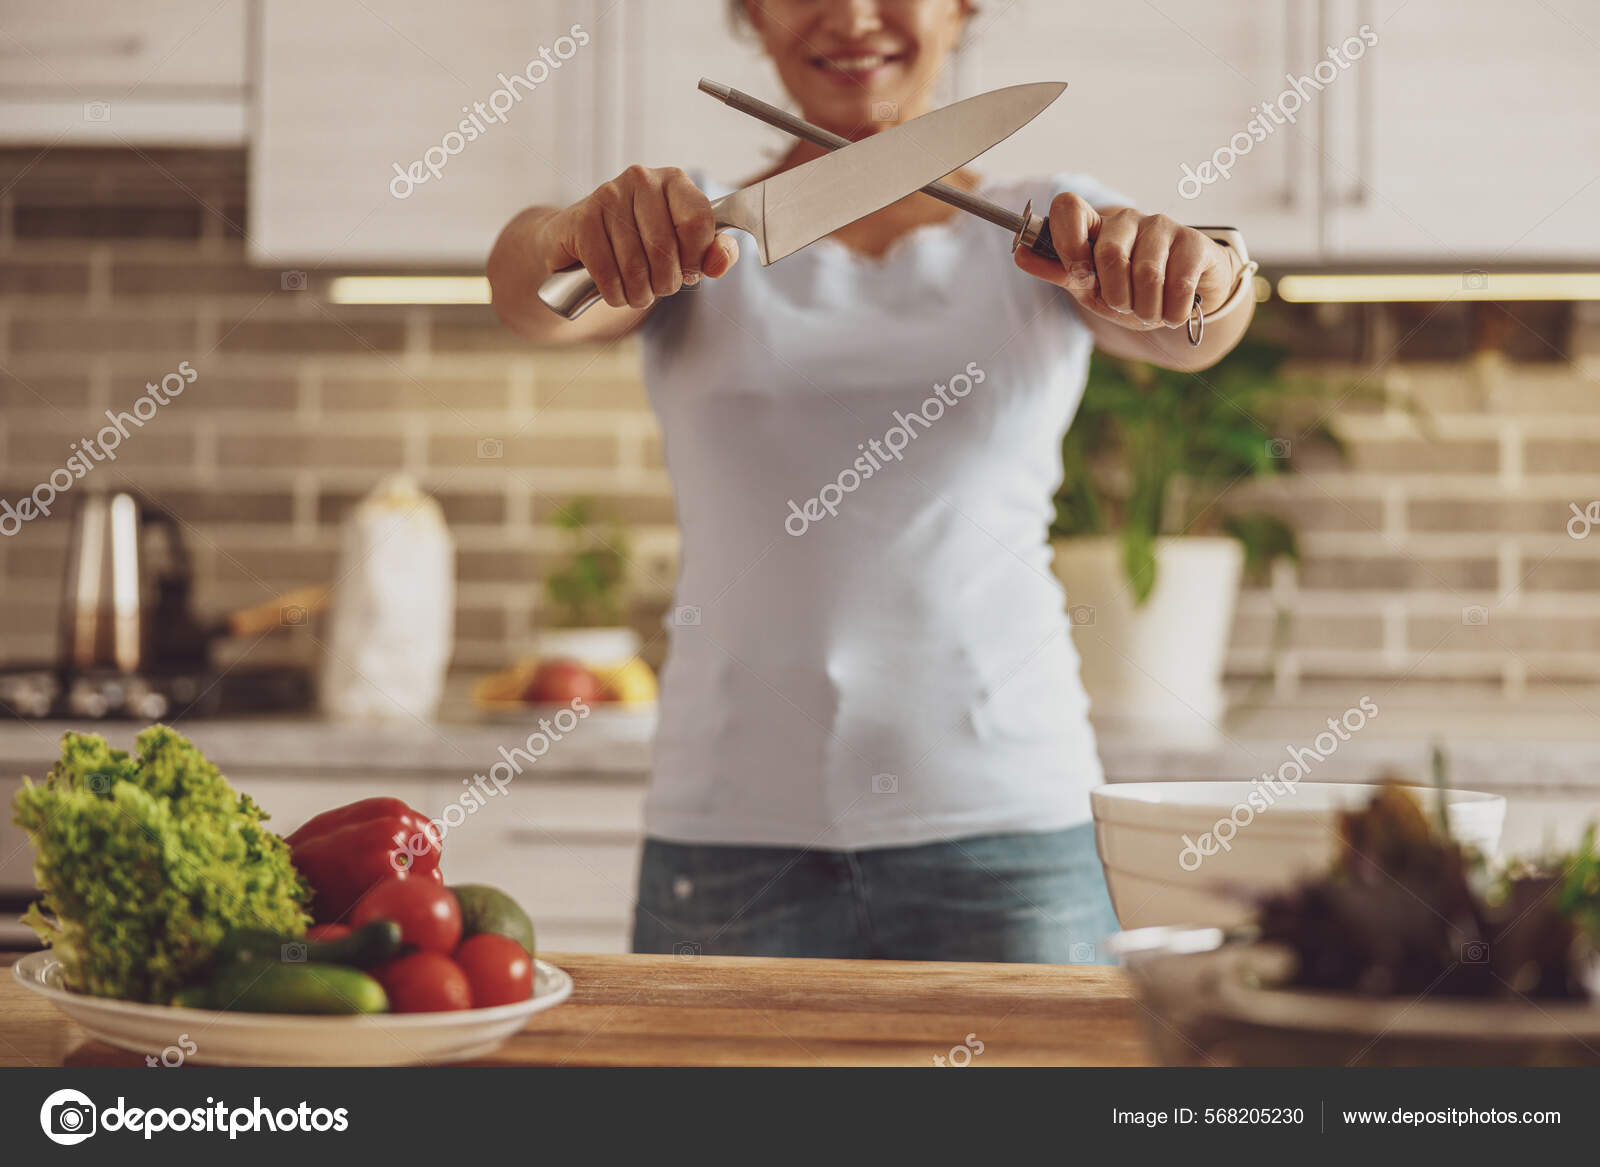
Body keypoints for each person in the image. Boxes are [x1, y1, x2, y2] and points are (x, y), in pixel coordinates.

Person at [487, 0, 1255, 962]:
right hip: (727, 841)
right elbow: (527, 292)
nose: (851, 15)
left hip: (1011, 830)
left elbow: (1204, 326)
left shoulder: (1050, 231)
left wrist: (1207, 277)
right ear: (752, 15)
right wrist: (572, 234)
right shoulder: (683, 240)